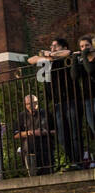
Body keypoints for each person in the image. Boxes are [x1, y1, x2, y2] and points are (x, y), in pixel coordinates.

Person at [29, 38, 81, 170]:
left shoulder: (66, 57)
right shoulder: (47, 62)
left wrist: (49, 56)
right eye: (50, 46)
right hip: (57, 103)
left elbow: (67, 52)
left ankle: (78, 162)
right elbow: (31, 60)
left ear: (62, 46)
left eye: (55, 46)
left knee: (74, 132)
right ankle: (72, 161)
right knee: (63, 136)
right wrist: (47, 58)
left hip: (72, 99)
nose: (52, 48)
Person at [13, 94, 53, 176]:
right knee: (32, 176)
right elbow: (15, 135)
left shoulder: (45, 113)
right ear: (25, 105)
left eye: (33, 103)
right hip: (29, 150)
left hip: (46, 150)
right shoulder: (22, 116)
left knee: (48, 174)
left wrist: (43, 132)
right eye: (28, 104)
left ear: (38, 102)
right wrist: (29, 132)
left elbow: (55, 130)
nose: (31, 105)